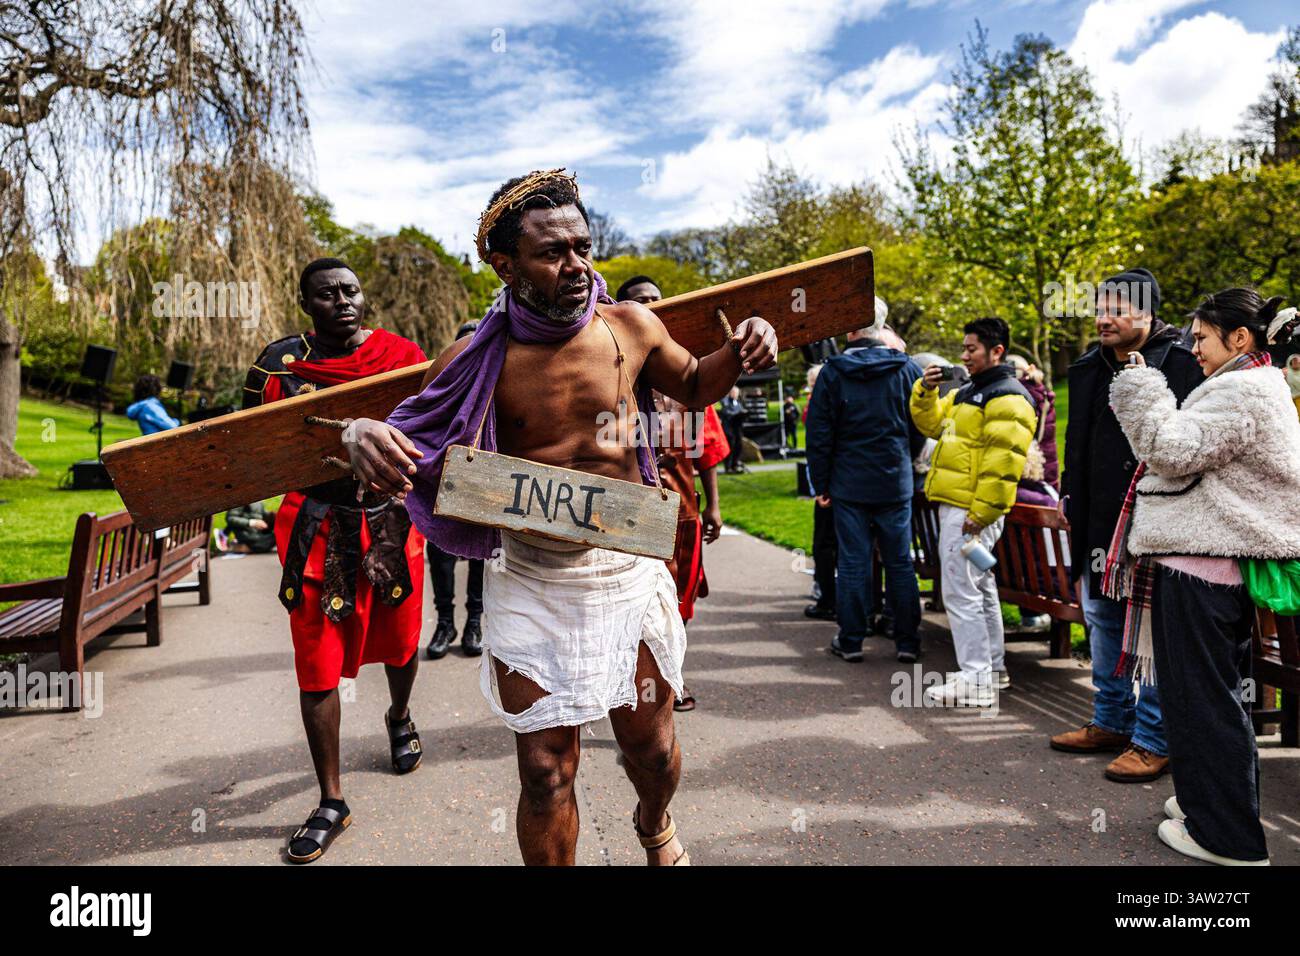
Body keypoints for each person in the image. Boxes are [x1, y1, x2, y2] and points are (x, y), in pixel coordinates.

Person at [344, 170, 778, 866]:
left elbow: (696, 383)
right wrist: (355, 432)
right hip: (532, 579)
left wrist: (745, 344)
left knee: (653, 749)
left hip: (626, 571)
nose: (577, 266)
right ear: (505, 264)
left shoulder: (631, 327)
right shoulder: (473, 361)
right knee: (546, 773)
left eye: (583, 246)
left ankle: (655, 824)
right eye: (553, 253)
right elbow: (406, 438)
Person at [242, 257, 429, 864]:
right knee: (316, 657)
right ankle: (332, 800)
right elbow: (249, 441)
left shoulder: (402, 355)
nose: (343, 300)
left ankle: (398, 715)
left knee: (400, 641)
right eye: (327, 294)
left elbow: (430, 423)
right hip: (315, 526)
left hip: (391, 522)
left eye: (351, 290)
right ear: (306, 303)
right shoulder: (277, 367)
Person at [1106, 288, 1300, 866]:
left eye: (1201, 338)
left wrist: (1140, 386)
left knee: (1202, 703)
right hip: (1209, 567)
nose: (1192, 349)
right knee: (1209, 699)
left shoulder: (1244, 389)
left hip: (1202, 570)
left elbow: (1169, 450)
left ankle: (1228, 839)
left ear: (1240, 339)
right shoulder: (1254, 385)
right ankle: (1208, 807)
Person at [1049, 269, 1202, 784]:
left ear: (1149, 312)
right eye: (1099, 308)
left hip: (1158, 520)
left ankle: (1153, 739)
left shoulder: (1183, 362)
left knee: (1154, 632)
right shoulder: (1089, 365)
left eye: (1117, 309)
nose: (1103, 319)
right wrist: (1070, 493)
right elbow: (1078, 439)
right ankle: (1112, 722)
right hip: (1097, 521)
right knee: (1103, 622)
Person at [616, 275, 729, 714]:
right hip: (630, 517)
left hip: (683, 511)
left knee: (678, 601)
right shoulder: (612, 375)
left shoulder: (689, 376)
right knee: (639, 603)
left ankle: (671, 680)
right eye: (640, 302)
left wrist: (714, 505)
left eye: (657, 300)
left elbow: (709, 450)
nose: (651, 306)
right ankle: (634, 684)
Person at [910, 317, 1036, 706]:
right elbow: (932, 425)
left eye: (971, 349)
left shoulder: (1006, 397)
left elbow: (1004, 464)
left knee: (962, 591)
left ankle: (977, 678)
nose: (964, 355)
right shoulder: (970, 391)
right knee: (978, 590)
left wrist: (980, 514)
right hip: (965, 508)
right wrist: (926, 390)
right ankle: (990, 671)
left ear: (996, 350)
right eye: (964, 348)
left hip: (969, 511)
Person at [807, 323, 924, 663]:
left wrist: (821, 482)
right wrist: (906, 458)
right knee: (900, 562)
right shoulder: (907, 369)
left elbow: (819, 433)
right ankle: (907, 641)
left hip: (849, 482)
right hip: (894, 479)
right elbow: (919, 425)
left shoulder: (832, 373)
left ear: (852, 331)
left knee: (854, 563)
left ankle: (852, 639)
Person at [426, 319, 485, 660]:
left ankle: (474, 622)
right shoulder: (441, 384)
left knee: (480, 554)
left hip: (482, 484)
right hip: (444, 481)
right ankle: (445, 623)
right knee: (441, 556)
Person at [803, 364, 837, 621]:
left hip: (829, 484)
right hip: (841, 482)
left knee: (825, 544)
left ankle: (828, 597)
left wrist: (820, 486)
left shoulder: (821, 405)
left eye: (813, 385)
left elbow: (819, 445)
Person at [719, 386, 747, 473]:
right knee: (730, 447)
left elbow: (741, 412)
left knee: (739, 446)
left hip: (737, 429)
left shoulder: (738, 403)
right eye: (734, 393)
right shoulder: (725, 401)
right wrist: (737, 413)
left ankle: (735, 464)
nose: (736, 394)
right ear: (730, 393)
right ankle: (728, 467)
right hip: (729, 429)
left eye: (737, 393)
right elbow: (726, 412)